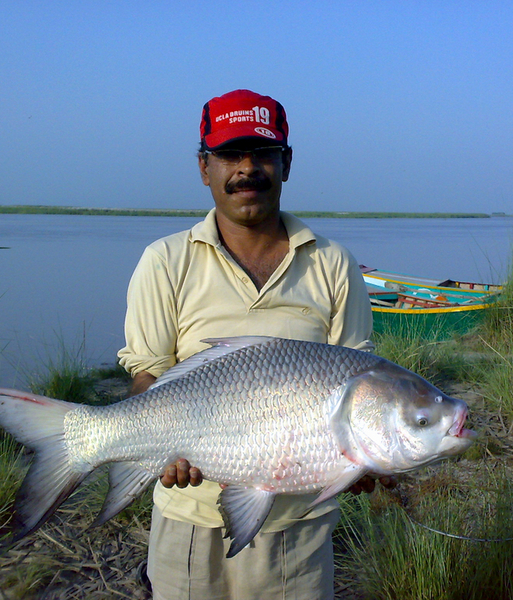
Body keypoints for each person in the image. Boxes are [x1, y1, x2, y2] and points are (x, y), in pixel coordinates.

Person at [117, 89, 388, 600]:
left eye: (263, 153)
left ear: (285, 163)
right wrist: (160, 447)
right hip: (187, 520)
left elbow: (360, 384)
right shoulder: (164, 260)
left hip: (298, 527)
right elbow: (147, 376)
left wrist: (368, 461)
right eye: (229, 155)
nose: (247, 169)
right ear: (204, 167)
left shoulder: (333, 263)